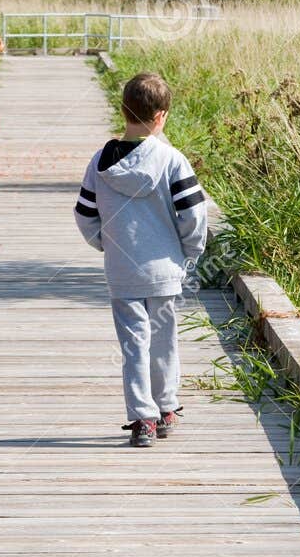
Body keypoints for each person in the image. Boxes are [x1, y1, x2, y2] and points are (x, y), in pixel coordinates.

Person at [74, 71, 208, 447]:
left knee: (135, 344)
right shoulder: (172, 160)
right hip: (165, 269)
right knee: (164, 340)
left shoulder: (101, 162)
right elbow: (193, 215)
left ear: (123, 110)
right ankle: (167, 407)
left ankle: (143, 419)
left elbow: (85, 213)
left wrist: (106, 243)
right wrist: (191, 250)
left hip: (122, 270)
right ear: (162, 115)